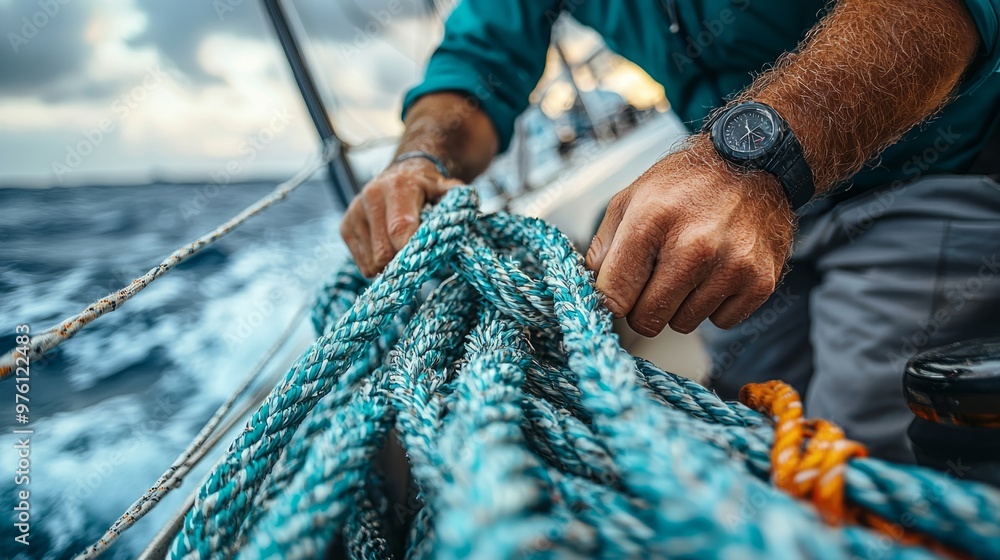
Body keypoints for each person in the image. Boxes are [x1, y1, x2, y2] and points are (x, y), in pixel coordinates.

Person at [339, 0, 1000, 462]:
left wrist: (754, 160)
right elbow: (477, 63)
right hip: (737, 209)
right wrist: (417, 158)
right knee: (751, 420)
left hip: (926, 174)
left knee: (860, 450)